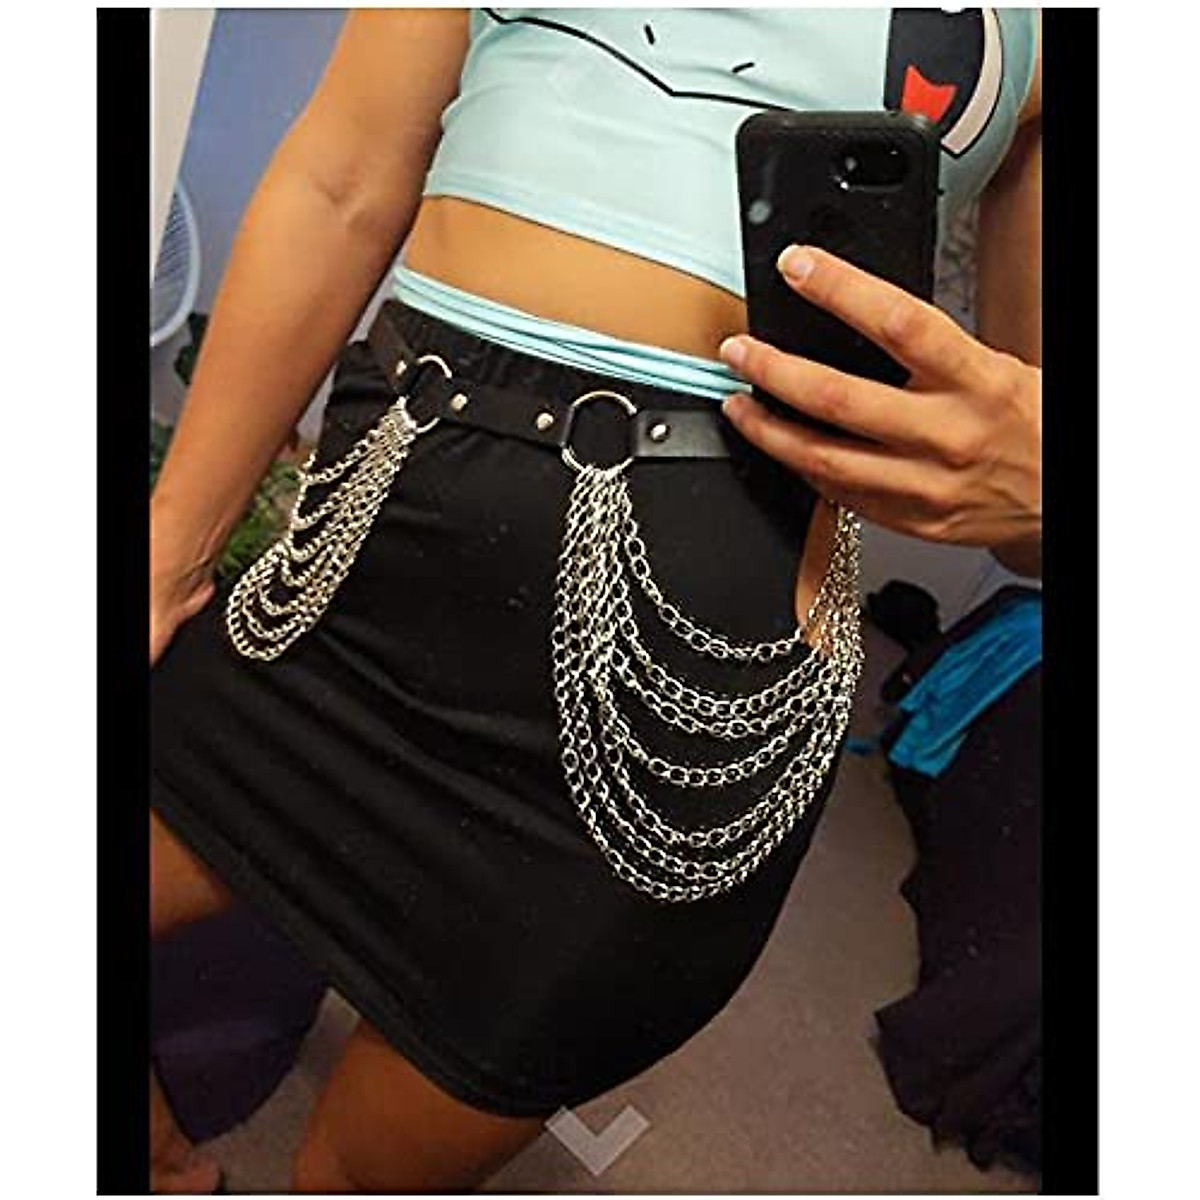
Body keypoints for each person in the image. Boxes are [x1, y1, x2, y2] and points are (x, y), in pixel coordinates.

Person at [149, 8, 1041, 1192]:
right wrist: (164, 552)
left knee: (360, 1175)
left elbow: (1025, 503)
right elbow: (341, 181)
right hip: (345, 587)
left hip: (689, 733)